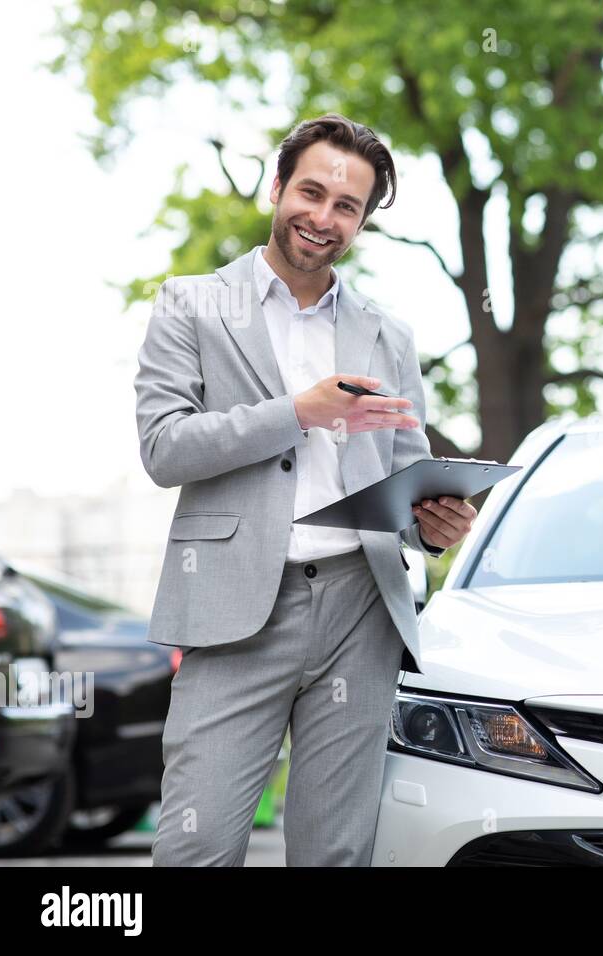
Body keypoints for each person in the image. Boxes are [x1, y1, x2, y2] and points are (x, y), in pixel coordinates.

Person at [134, 113, 477, 866]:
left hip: (362, 609)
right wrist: (298, 413)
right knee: (200, 847)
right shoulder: (191, 305)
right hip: (235, 610)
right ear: (277, 187)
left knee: (334, 853)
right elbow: (164, 448)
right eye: (312, 192)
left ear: (362, 222)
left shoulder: (386, 332)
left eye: (346, 206)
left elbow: (404, 465)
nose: (324, 218)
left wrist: (432, 521)